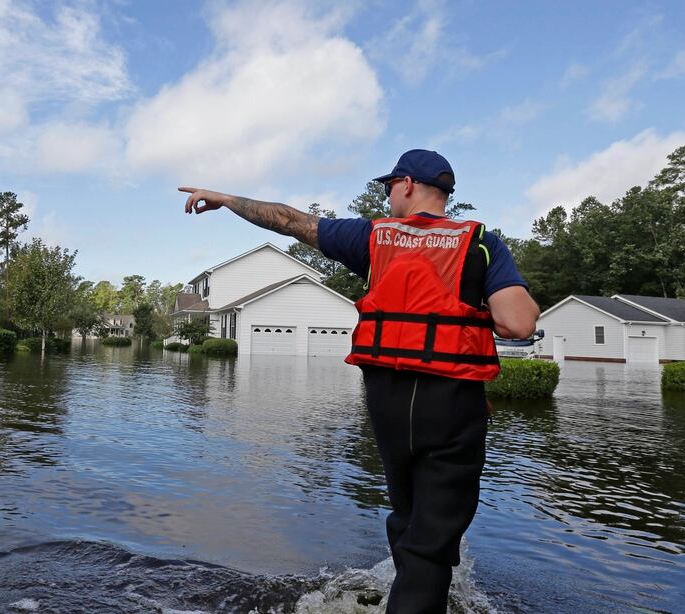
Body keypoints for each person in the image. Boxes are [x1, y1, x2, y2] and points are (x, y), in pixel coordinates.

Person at [180, 149, 538, 613]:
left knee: (407, 518)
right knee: (432, 539)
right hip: (451, 405)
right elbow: (518, 324)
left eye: (389, 186)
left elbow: (289, 221)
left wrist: (226, 198)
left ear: (407, 184)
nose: (387, 194)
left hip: (387, 403)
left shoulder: (373, 238)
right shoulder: (481, 242)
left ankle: (411, 585)